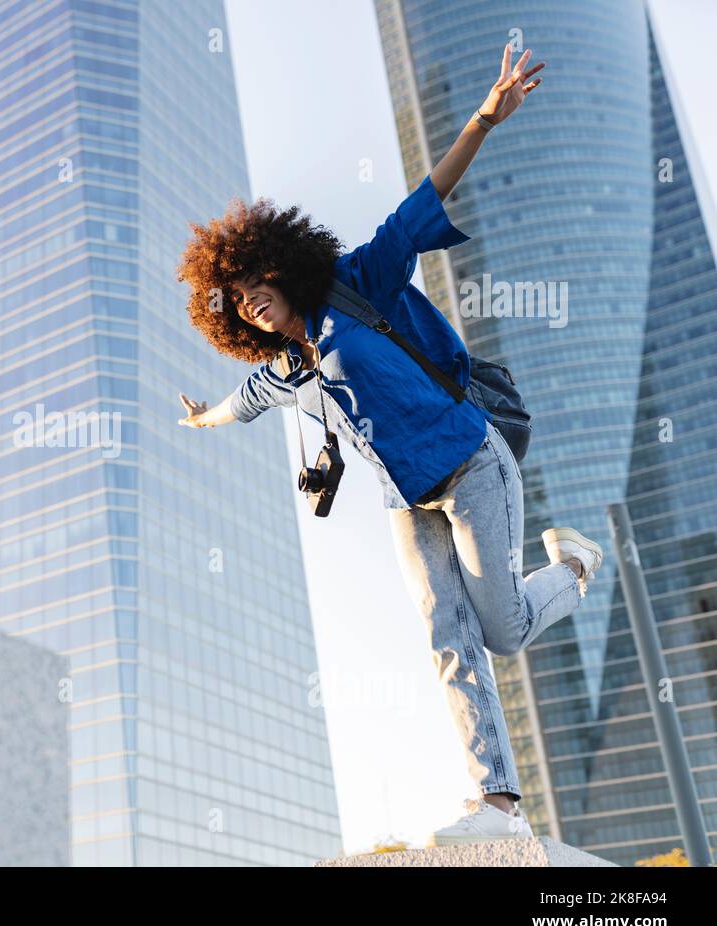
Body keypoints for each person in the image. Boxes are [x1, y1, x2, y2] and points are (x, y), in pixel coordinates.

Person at [174, 45, 602, 846]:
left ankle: (573, 564)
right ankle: (498, 806)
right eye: (235, 303)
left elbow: (420, 202)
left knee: (503, 629)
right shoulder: (283, 365)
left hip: (472, 462)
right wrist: (203, 418)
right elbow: (243, 403)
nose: (250, 302)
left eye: (253, 283)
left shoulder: (357, 281)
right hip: (410, 502)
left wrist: (483, 116)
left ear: (279, 264)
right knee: (447, 636)